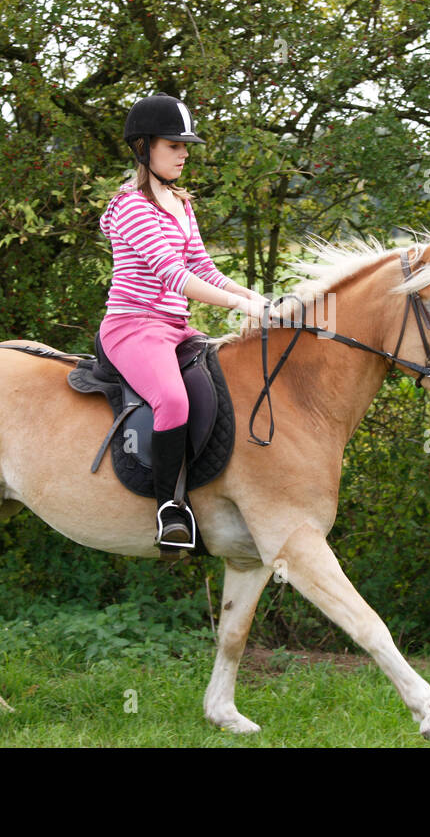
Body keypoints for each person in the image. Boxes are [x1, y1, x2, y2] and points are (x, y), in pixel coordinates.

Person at [98, 93, 270, 550]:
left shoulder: (181, 204)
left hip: (176, 330)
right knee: (172, 401)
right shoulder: (131, 206)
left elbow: (205, 269)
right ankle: (169, 508)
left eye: (184, 145)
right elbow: (174, 275)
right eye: (173, 144)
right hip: (133, 327)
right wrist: (242, 309)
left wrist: (261, 299)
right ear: (143, 148)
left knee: (221, 384)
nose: (184, 153)